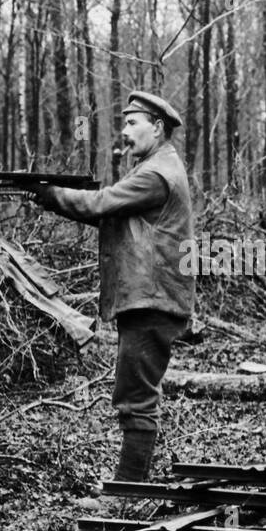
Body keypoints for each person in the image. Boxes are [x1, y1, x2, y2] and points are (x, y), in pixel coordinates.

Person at [28, 91, 195, 483]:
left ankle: (128, 491)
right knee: (135, 391)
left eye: (133, 123)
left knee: (137, 397)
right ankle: (129, 487)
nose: (125, 131)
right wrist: (54, 196)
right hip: (150, 297)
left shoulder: (156, 174)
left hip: (152, 299)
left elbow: (101, 203)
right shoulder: (155, 165)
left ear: (157, 127)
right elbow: (109, 211)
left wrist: (50, 194)